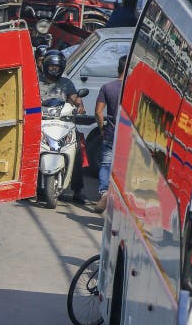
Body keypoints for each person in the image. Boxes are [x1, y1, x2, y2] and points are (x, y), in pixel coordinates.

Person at [39, 49, 87, 203]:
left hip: (64, 123)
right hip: (41, 122)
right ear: (46, 66)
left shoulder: (66, 83)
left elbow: (75, 99)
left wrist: (80, 106)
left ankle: (77, 190)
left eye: (57, 68)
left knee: (78, 150)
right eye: (52, 67)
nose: (54, 70)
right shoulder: (36, 81)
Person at [93, 55, 127, 213]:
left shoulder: (107, 87)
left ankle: (104, 193)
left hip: (111, 133)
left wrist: (102, 128)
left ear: (118, 68)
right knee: (124, 169)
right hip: (127, 137)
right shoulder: (133, 88)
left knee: (106, 164)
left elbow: (98, 112)